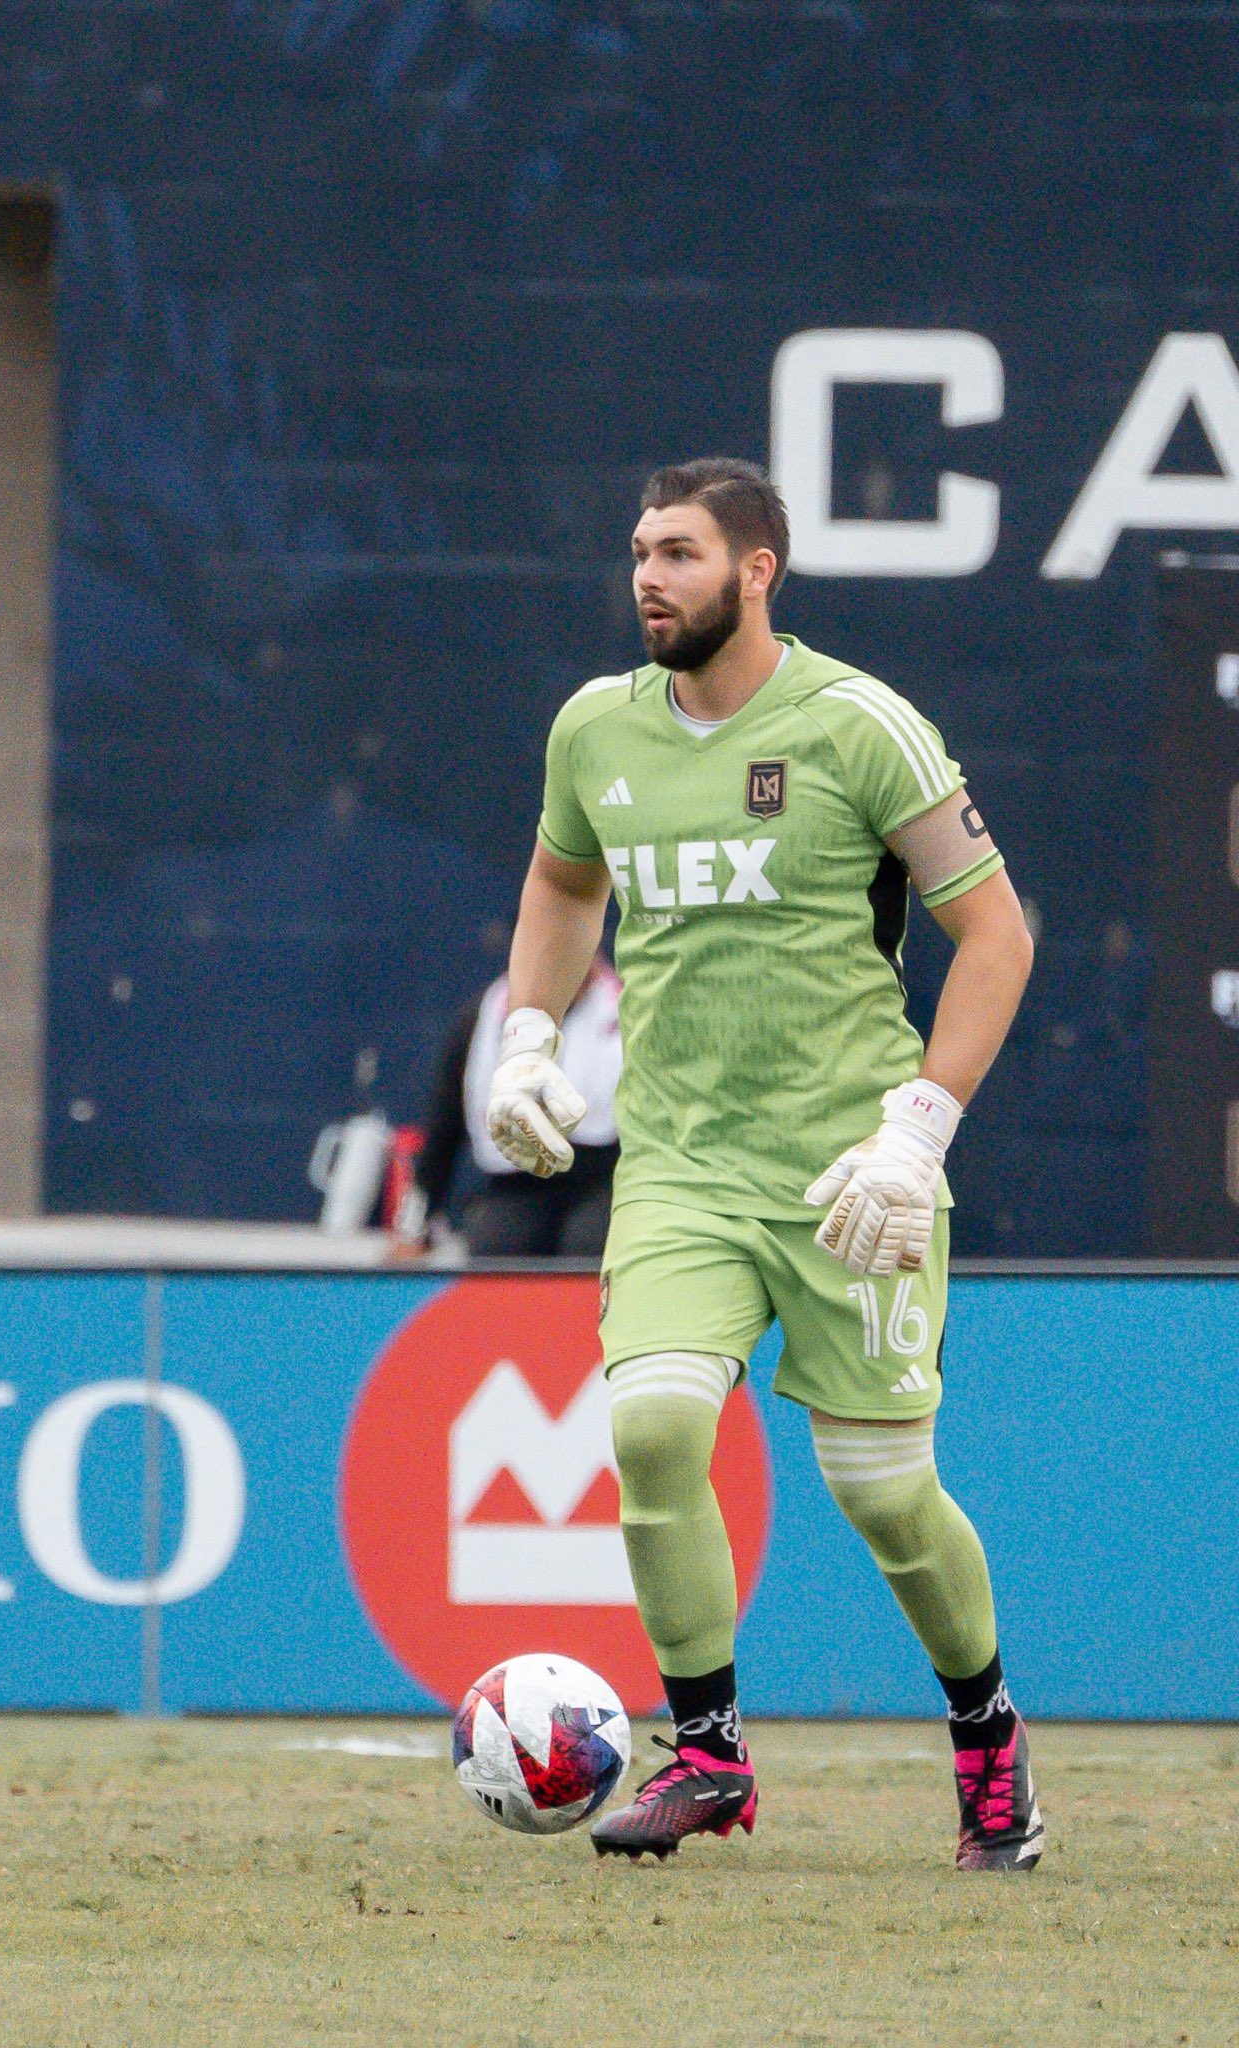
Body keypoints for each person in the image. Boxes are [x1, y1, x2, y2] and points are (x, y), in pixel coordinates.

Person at [485, 457, 1041, 1873]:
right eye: (638, 550)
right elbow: (563, 884)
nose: (649, 578)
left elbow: (1001, 937)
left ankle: (989, 1745)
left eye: (678, 552)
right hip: (679, 1168)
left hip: (855, 1177)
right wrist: (529, 1038)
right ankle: (709, 1756)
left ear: (758, 570)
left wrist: (917, 1133)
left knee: (883, 1496)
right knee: (655, 1433)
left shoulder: (863, 727)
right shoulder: (595, 730)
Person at [413, 961, 620, 1256]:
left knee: (594, 1240)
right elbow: (442, 1132)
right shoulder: (479, 1019)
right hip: (519, 1186)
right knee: (495, 1240)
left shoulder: (626, 1011)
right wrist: (414, 1224)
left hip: (604, 1183)